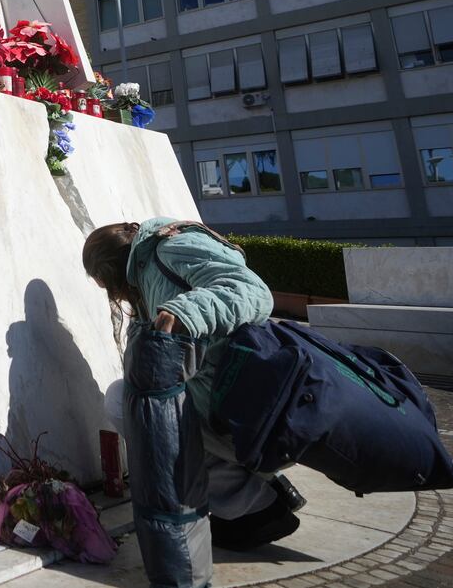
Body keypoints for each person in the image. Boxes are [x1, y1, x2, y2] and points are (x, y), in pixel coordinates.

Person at [82, 217, 304, 554]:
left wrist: (183, 313)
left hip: (251, 409)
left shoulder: (169, 249)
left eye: (103, 284)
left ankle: (255, 508)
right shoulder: (145, 274)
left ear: (108, 273)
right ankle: (265, 488)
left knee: (126, 404)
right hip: (230, 404)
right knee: (131, 397)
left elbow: (252, 292)